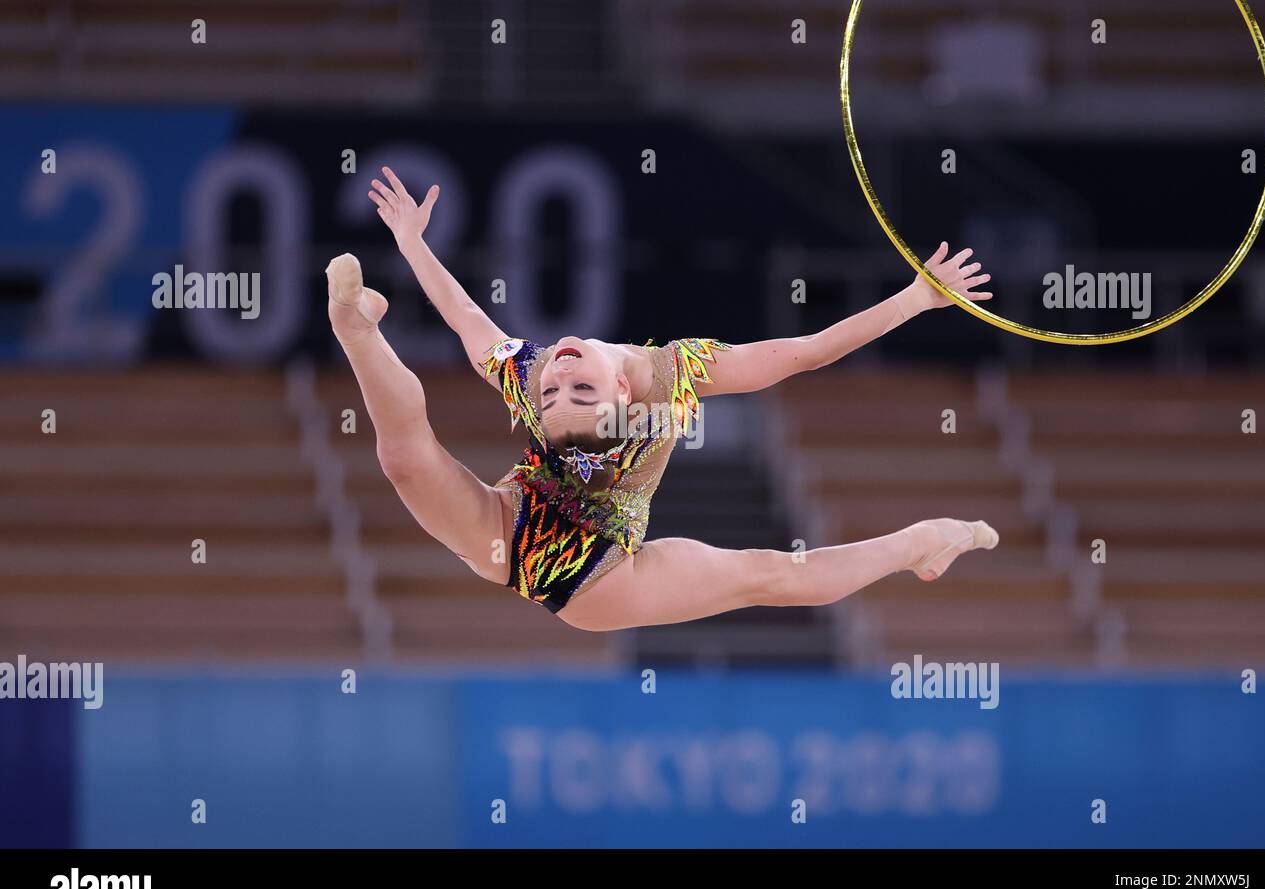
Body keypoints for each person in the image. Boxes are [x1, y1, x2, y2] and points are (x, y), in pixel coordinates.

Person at [326, 166, 998, 631]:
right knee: (774, 575)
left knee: (405, 465)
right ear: (621, 391)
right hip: (566, 557)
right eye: (570, 386)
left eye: (561, 388)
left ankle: (358, 333)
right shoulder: (674, 376)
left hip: (576, 560)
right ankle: (924, 539)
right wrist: (917, 298)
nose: (559, 369)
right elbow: (806, 351)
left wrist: (413, 245)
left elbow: (467, 315)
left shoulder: (534, 381)